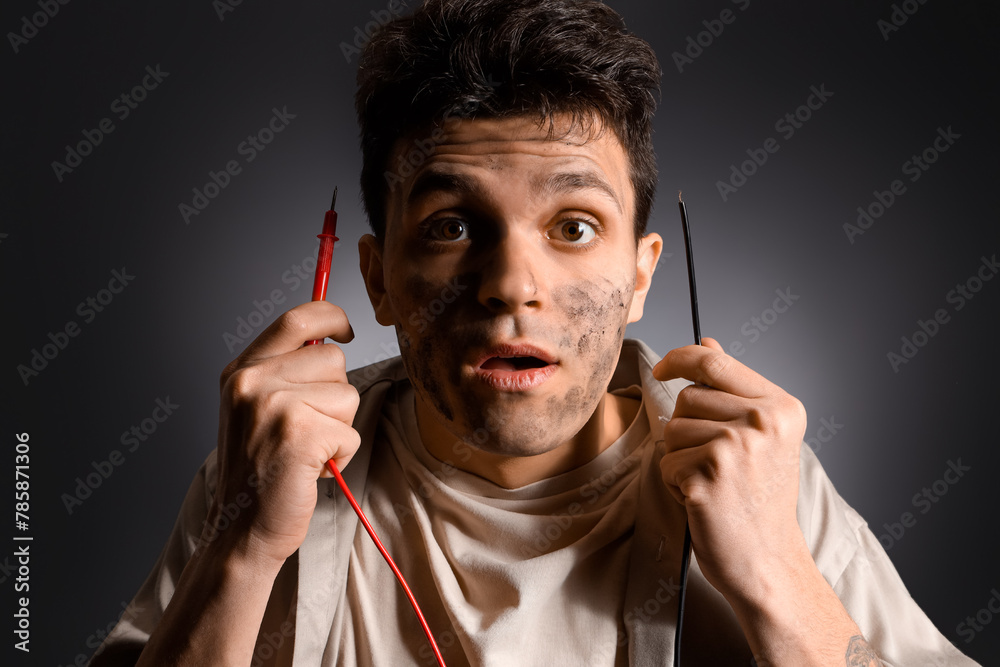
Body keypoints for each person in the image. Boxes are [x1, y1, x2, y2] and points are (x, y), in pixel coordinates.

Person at [91, 1, 978, 665]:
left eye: (575, 225)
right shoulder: (276, 460)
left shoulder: (749, 469)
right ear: (376, 279)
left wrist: (782, 580)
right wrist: (243, 546)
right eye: (449, 225)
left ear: (641, 273)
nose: (513, 284)